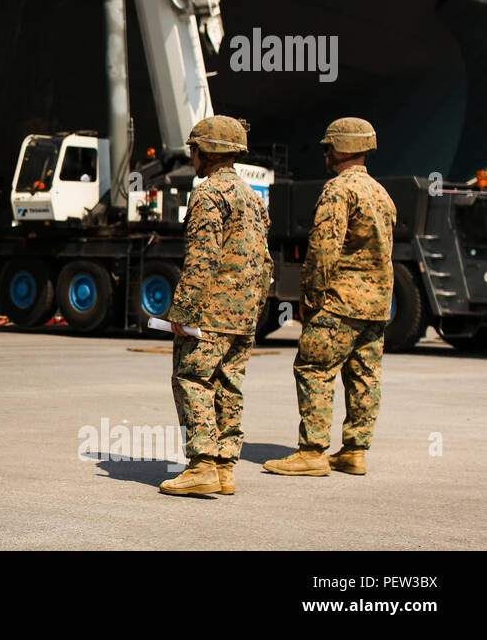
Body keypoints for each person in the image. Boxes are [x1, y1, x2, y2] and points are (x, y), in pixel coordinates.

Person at [264, 118, 395, 477]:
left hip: (339, 302)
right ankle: (354, 451)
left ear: (339, 149)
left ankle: (312, 452)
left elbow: (323, 248)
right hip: (376, 304)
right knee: (364, 375)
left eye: (327, 147)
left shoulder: (338, 190)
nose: (324, 153)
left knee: (314, 369)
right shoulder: (381, 193)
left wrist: (310, 297)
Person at [160, 116, 273, 496]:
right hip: (244, 314)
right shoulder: (253, 197)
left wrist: (183, 311)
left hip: (211, 313)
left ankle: (202, 465)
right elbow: (266, 261)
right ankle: (224, 468)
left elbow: (202, 258)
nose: (191, 157)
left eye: (193, 150)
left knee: (192, 379)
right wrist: (256, 310)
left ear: (205, 152)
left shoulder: (209, 194)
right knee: (228, 385)